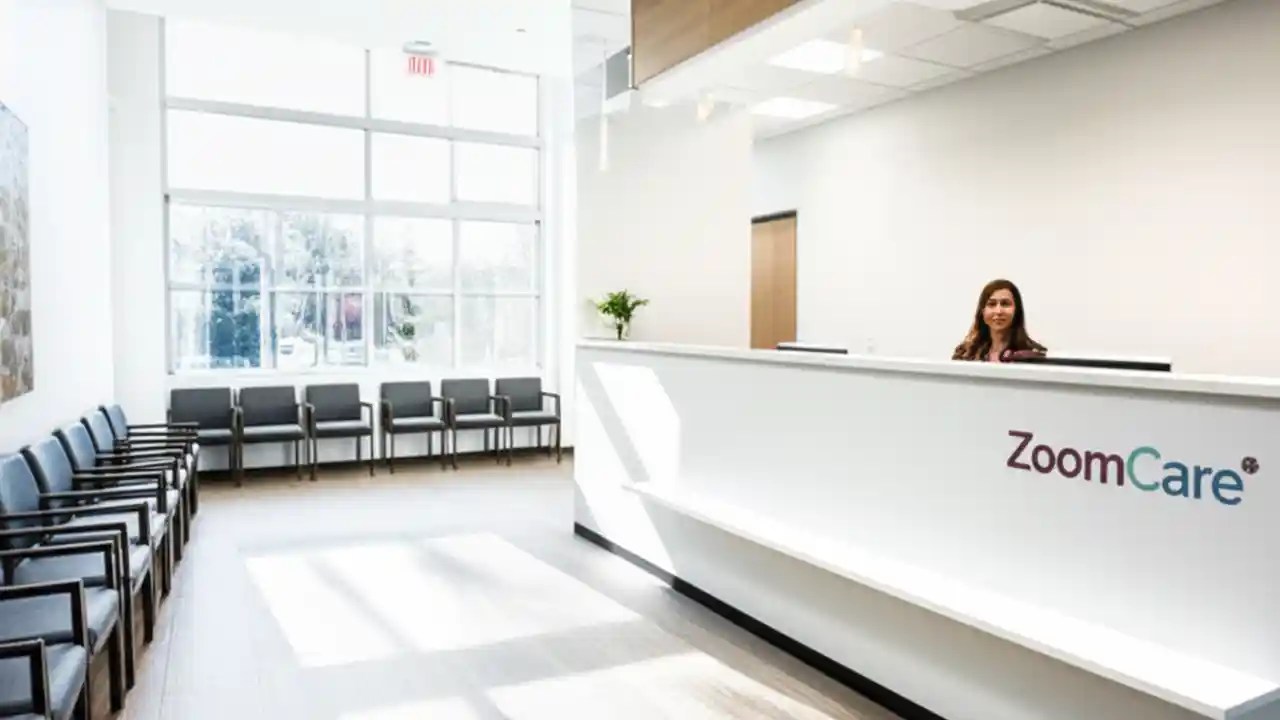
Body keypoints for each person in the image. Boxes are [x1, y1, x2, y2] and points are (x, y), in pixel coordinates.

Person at [952, 279, 1046, 362]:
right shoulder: (965, 354)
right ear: (982, 311)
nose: (998, 311)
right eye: (992, 304)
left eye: (1005, 304)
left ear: (1017, 310)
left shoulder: (1033, 355)